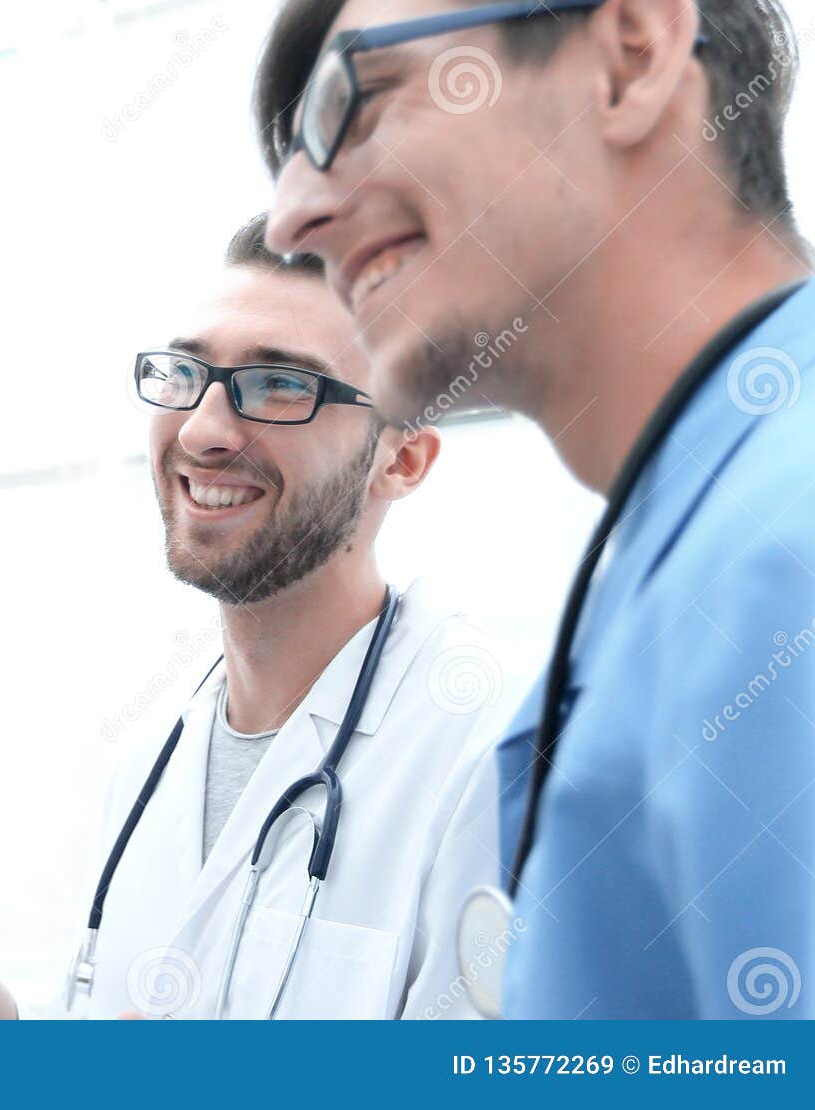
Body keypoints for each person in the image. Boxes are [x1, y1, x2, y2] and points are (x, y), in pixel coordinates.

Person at [263, 0, 815, 1018]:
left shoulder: (782, 547)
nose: (287, 217)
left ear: (629, 56)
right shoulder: (679, 558)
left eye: (359, 100)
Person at [0, 216, 501, 1020]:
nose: (204, 430)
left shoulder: (489, 760)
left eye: (282, 384)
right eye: (187, 375)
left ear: (403, 458)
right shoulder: (151, 763)